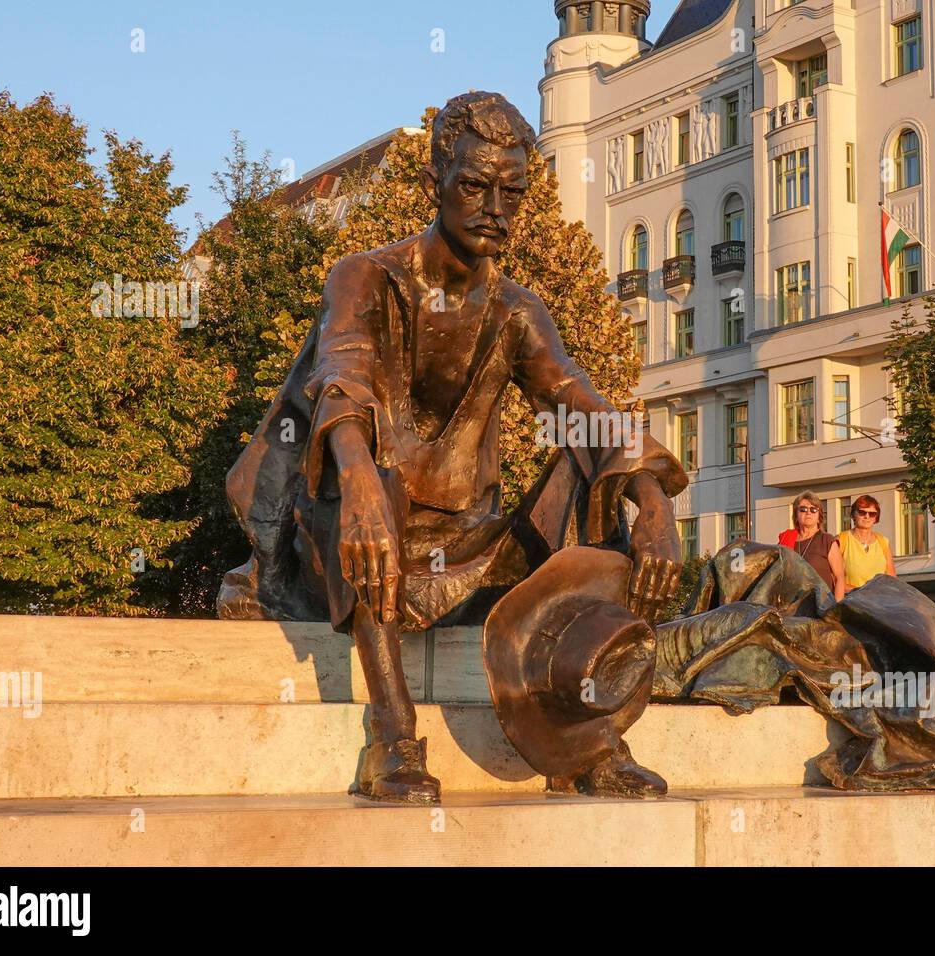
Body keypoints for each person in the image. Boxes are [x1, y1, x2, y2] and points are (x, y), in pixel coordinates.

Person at [218, 92, 686, 803]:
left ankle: (587, 741)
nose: (495, 207)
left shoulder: (518, 310)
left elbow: (581, 403)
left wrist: (652, 502)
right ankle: (394, 737)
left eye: (512, 192)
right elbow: (340, 378)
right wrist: (364, 486)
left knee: (594, 467)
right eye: (475, 186)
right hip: (357, 532)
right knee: (368, 469)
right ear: (435, 180)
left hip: (472, 545)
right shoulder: (365, 277)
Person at [776, 491, 844, 602]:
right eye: (803, 509)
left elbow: (839, 577)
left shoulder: (827, 540)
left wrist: (836, 610)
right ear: (796, 515)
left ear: (819, 516)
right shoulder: (785, 539)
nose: (808, 513)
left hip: (821, 605)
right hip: (791, 606)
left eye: (813, 510)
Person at [836, 494, 896, 592]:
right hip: (850, 601)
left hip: (878, 602)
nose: (867, 516)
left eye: (872, 514)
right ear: (853, 515)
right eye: (862, 512)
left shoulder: (883, 542)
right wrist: (860, 591)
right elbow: (833, 579)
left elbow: (891, 580)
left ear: (876, 518)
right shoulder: (841, 540)